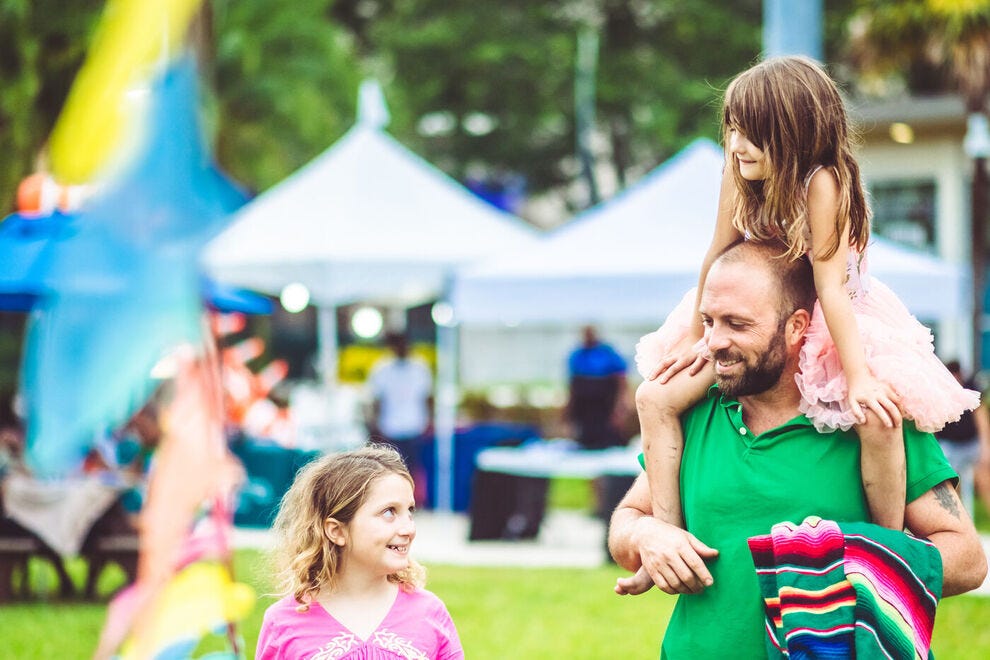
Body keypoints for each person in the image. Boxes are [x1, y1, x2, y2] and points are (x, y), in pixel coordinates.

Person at [634, 55, 979, 538]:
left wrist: (857, 377)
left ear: (793, 132)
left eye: (750, 133)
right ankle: (670, 532)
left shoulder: (823, 181)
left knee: (878, 421)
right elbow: (717, 252)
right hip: (757, 316)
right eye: (732, 129)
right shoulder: (737, 172)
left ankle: (889, 549)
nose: (735, 145)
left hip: (831, 318)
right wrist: (695, 335)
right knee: (654, 397)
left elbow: (830, 288)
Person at [608, 240, 987, 658]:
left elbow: (968, 560)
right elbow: (627, 521)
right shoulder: (691, 413)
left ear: (796, 327)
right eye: (708, 321)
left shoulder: (872, 417)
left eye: (736, 324)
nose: (714, 341)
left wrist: (841, 561)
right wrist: (647, 534)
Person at [256, 444, 463, 659]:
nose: (409, 529)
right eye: (389, 512)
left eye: (409, 511)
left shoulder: (429, 613)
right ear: (337, 531)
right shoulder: (283, 623)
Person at [368, 333, 433, 502]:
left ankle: (411, 501)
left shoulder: (420, 368)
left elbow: (428, 397)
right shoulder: (382, 369)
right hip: (390, 427)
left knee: (413, 468)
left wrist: (429, 421)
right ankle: (393, 500)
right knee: (390, 469)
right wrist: (376, 424)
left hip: (414, 426)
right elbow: (377, 400)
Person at [937, 360, 990, 515]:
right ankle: (959, 519)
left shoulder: (970, 386)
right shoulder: (940, 390)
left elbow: (981, 418)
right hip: (950, 446)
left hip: (972, 443)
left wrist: (985, 446)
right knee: (950, 483)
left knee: (984, 479)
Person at [564, 325, 630, 450]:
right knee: (586, 438)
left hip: (604, 401)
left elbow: (621, 379)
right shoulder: (577, 354)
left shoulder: (607, 352)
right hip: (584, 403)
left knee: (607, 438)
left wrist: (620, 404)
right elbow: (572, 383)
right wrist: (569, 407)